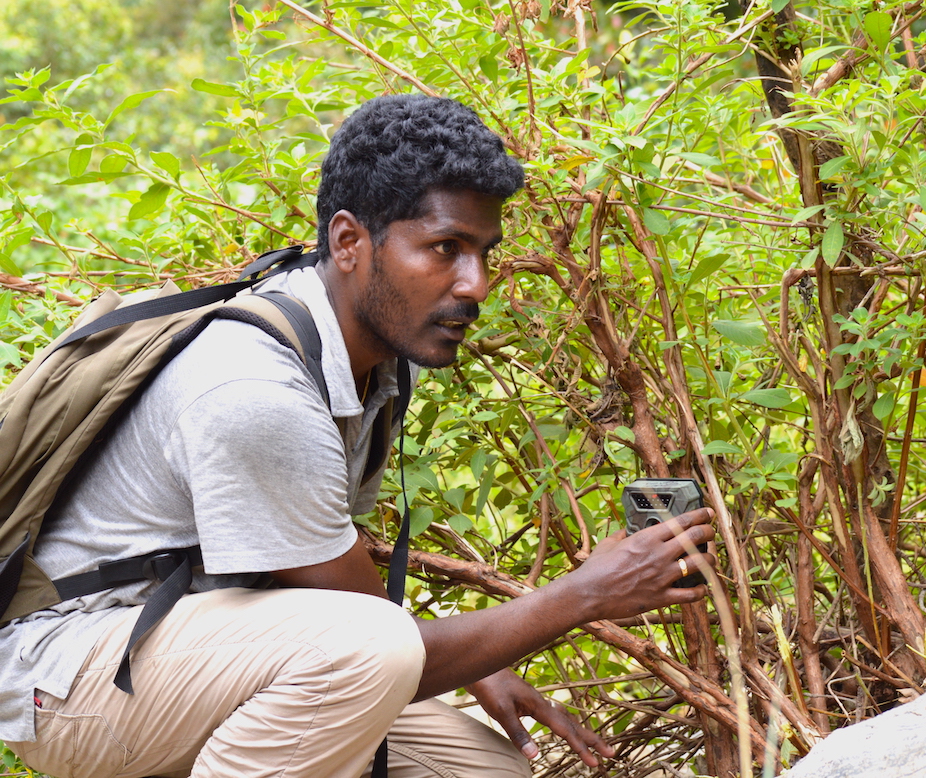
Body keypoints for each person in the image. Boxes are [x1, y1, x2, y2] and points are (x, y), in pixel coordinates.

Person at [0, 94, 715, 778]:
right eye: (445, 248)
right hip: (67, 681)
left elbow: (340, 591)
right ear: (349, 242)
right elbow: (364, 635)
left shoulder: (368, 362)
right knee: (370, 652)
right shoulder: (258, 390)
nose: (478, 284)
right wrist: (581, 595)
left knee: (481, 769)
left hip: (192, 654)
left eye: (485, 253)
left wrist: (480, 659)